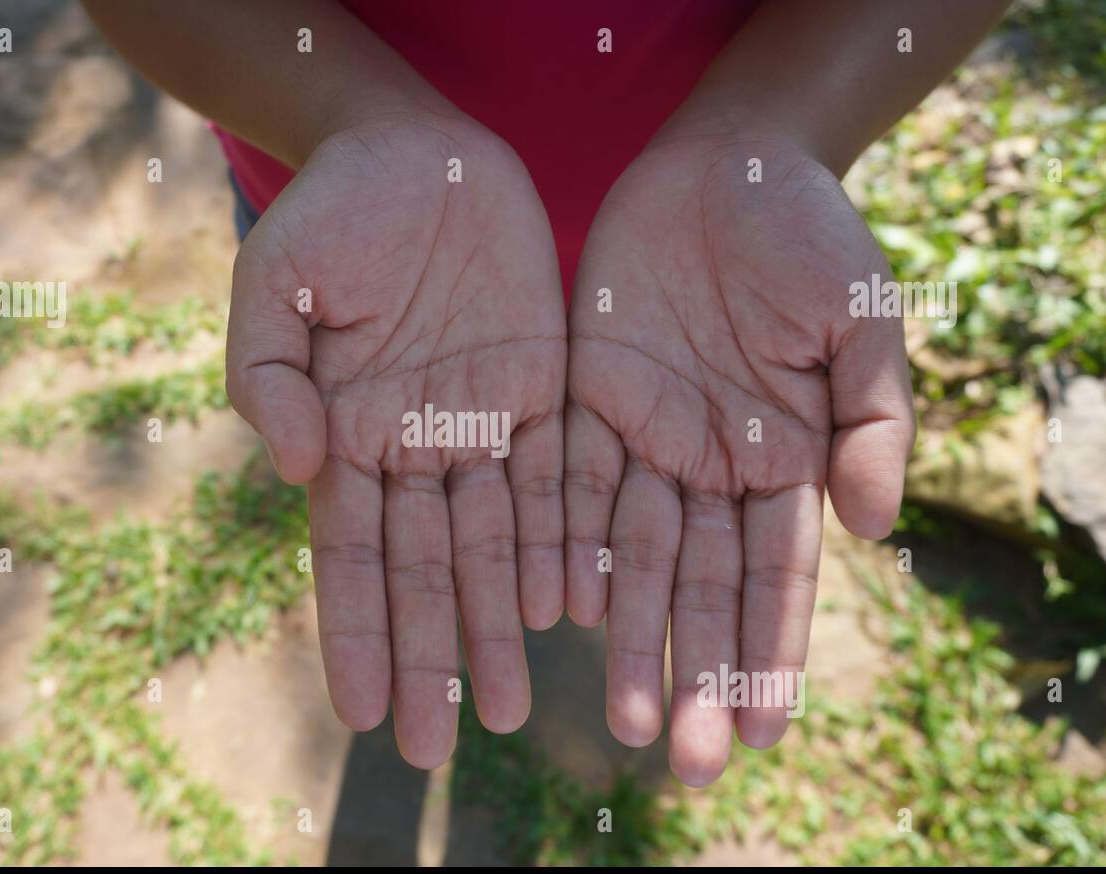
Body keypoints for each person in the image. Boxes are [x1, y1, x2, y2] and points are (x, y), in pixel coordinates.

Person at [80, 0, 1011, 784]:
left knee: (551, 517)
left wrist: (775, 128)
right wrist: (344, 116)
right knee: (391, 486)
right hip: (371, 256)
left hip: (711, 281)